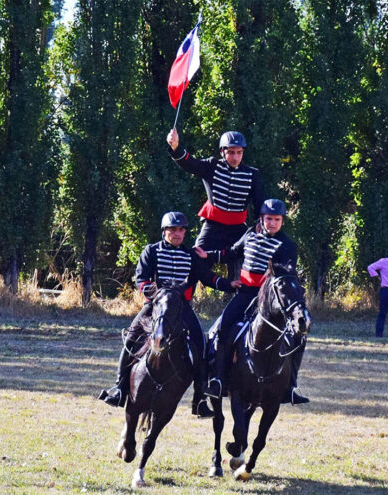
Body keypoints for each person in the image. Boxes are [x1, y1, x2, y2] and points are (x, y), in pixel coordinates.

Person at [98, 212, 241, 418]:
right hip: (155, 307)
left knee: (201, 344)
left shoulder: (190, 255)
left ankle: (199, 399)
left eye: (181, 230)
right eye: (173, 229)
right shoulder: (152, 251)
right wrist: (152, 292)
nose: (177, 233)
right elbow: (141, 278)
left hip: (182, 309)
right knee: (130, 339)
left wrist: (230, 285)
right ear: (165, 231)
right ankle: (120, 388)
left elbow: (208, 277)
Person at [196, 199, 309, 405]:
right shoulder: (249, 234)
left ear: (282, 221)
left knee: (298, 336)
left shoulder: (288, 246)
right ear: (262, 219)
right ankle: (219, 379)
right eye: (269, 219)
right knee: (224, 327)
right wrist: (208, 255)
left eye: (277, 219)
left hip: (271, 299)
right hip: (245, 294)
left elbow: (285, 275)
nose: (272, 223)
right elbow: (232, 252)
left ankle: (290, 387)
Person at [166, 128, 265, 276]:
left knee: (249, 263)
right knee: (196, 260)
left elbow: (260, 202)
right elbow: (190, 163)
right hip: (213, 227)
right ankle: (182, 298)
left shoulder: (252, 174)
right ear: (222, 152)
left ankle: (245, 298)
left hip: (238, 229)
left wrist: (261, 223)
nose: (235, 157)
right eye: (231, 152)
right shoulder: (212, 166)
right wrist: (176, 147)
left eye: (239, 152)